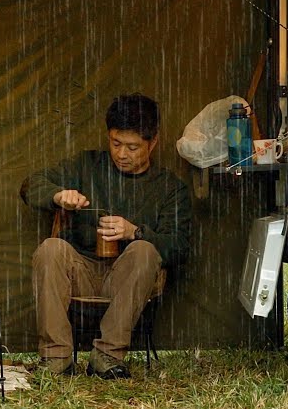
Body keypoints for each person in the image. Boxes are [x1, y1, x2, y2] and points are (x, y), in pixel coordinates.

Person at [21, 93, 191, 378]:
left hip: (129, 279)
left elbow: (179, 246)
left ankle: (107, 356)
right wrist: (58, 195)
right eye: (116, 143)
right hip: (82, 273)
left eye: (133, 147)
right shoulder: (86, 166)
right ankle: (56, 358)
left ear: (153, 143)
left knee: (144, 250)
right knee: (51, 249)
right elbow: (30, 185)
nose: (122, 154)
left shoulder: (170, 188)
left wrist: (135, 232)